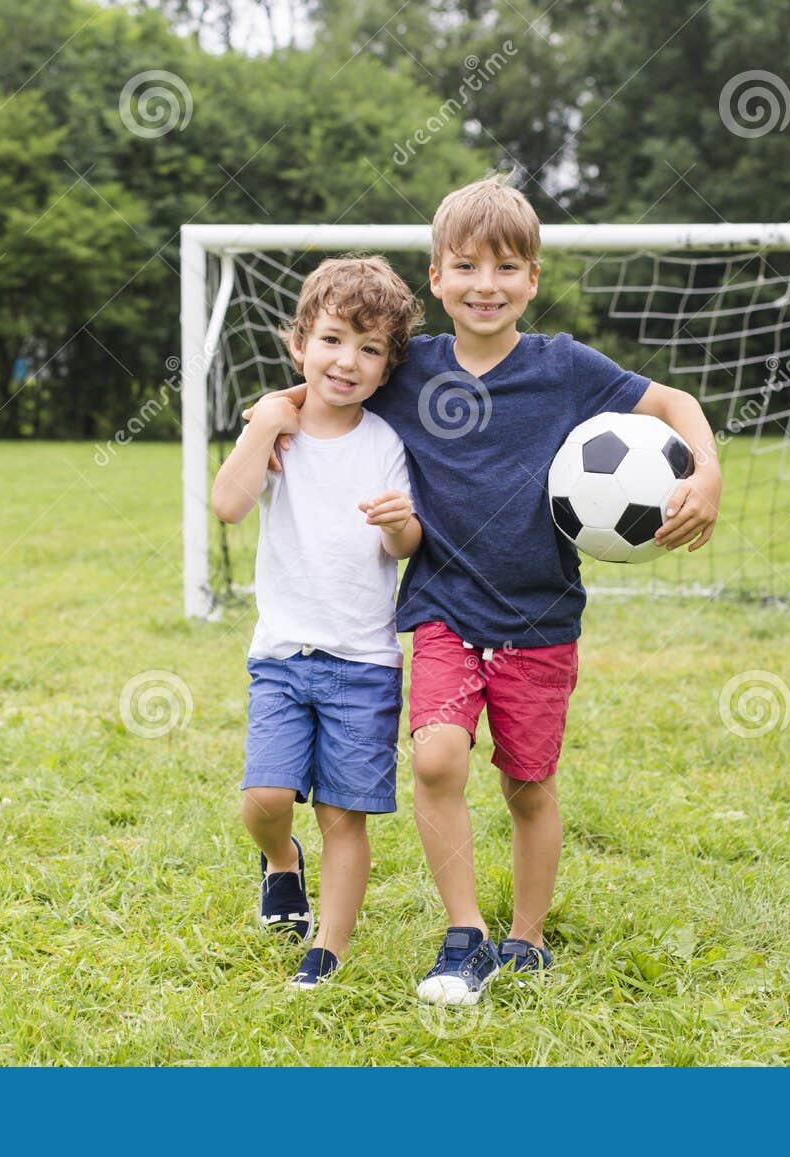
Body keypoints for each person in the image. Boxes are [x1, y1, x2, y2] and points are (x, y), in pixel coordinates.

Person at [249, 177, 723, 1005]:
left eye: (506, 267)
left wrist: (707, 473)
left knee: (527, 784)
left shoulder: (565, 368)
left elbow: (675, 402)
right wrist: (272, 410)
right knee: (436, 758)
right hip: (442, 610)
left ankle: (526, 936)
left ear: (532, 278)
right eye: (465, 265)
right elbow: (329, 381)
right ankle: (462, 929)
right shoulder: (410, 369)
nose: (485, 284)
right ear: (435, 277)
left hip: (539, 619)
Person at [211, 255, 425, 989]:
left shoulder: (386, 443)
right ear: (299, 340)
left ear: (389, 364)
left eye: (370, 349)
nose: (347, 361)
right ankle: (279, 861)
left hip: (364, 661)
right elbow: (228, 505)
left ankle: (325, 950)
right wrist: (266, 420)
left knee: (343, 814)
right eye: (332, 339)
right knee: (264, 799)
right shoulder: (281, 428)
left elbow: (405, 544)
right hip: (281, 653)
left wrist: (402, 526)